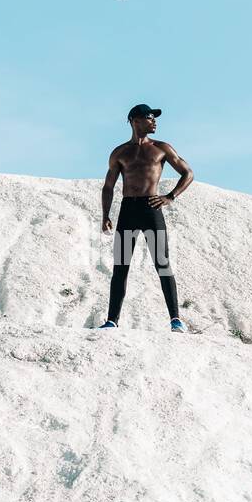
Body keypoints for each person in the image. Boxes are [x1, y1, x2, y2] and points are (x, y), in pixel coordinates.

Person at [99, 103, 195, 331]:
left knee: (162, 263)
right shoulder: (120, 152)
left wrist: (170, 196)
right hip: (128, 210)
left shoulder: (161, 148)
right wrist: (105, 215)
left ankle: (175, 320)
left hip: (151, 209)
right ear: (135, 121)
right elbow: (108, 186)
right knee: (121, 266)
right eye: (150, 117)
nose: (154, 121)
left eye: (154, 118)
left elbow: (188, 173)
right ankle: (112, 321)